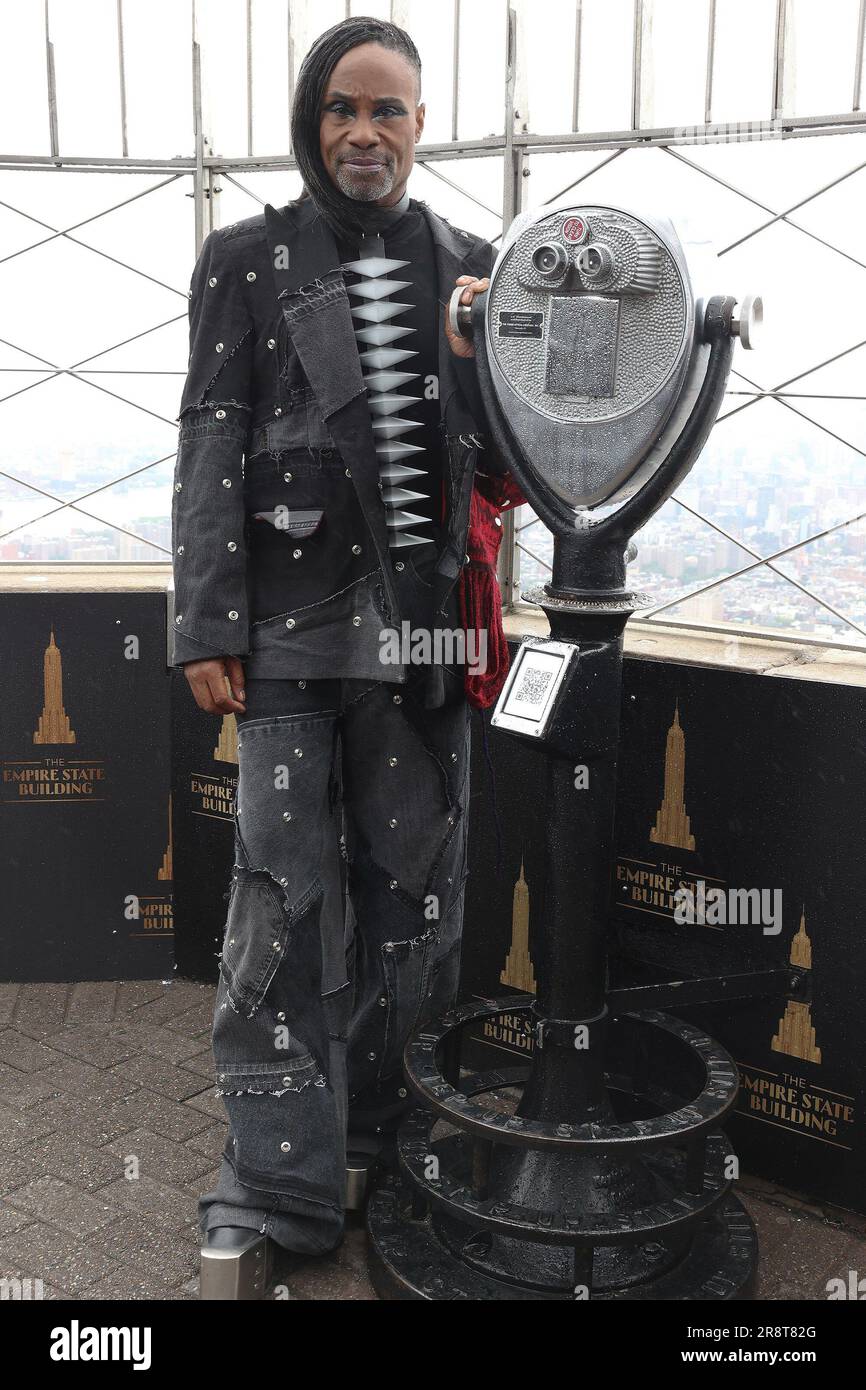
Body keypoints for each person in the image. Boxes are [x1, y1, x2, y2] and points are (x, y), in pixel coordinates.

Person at [170, 15, 522, 1298]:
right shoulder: (243, 258)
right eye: (341, 109)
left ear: (422, 128)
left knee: (414, 906)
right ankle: (273, 1182)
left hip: (424, 640)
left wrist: (480, 358)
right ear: (309, 120)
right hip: (283, 641)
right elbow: (212, 429)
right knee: (275, 907)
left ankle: (394, 1139)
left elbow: (512, 469)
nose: (364, 134)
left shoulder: (474, 269)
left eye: (390, 111)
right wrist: (205, 621)